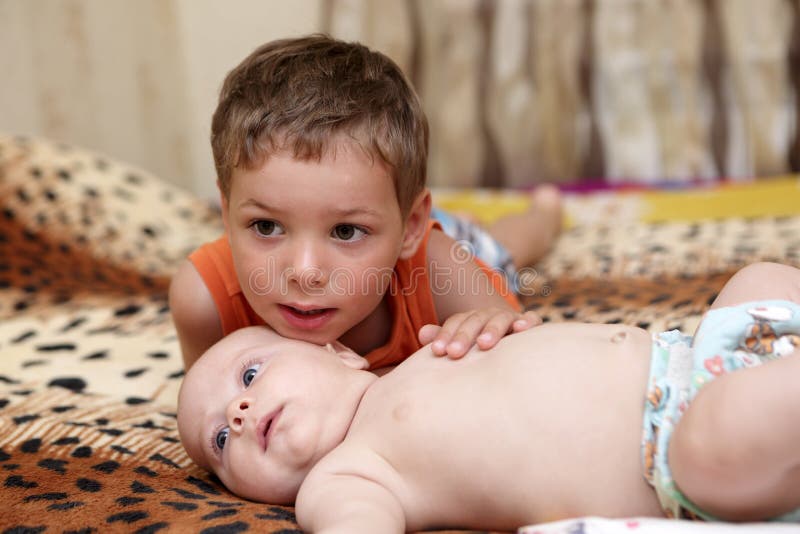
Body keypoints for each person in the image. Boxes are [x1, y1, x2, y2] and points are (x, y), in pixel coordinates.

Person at [178, 261, 800, 531]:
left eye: (251, 375)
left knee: (759, 281)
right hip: (679, 455)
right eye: (220, 442)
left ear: (337, 351)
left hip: (696, 355)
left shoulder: (425, 349)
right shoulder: (346, 473)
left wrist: (486, 323)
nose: (237, 413)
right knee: (723, 436)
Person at [168, 34, 562, 371]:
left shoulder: (439, 271)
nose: (305, 272)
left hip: (440, 247)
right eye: (266, 226)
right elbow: (207, 418)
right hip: (394, 219)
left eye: (345, 231)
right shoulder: (204, 303)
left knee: (501, 247)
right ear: (225, 208)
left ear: (411, 226)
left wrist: (493, 332)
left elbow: (521, 362)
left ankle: (544, 212)